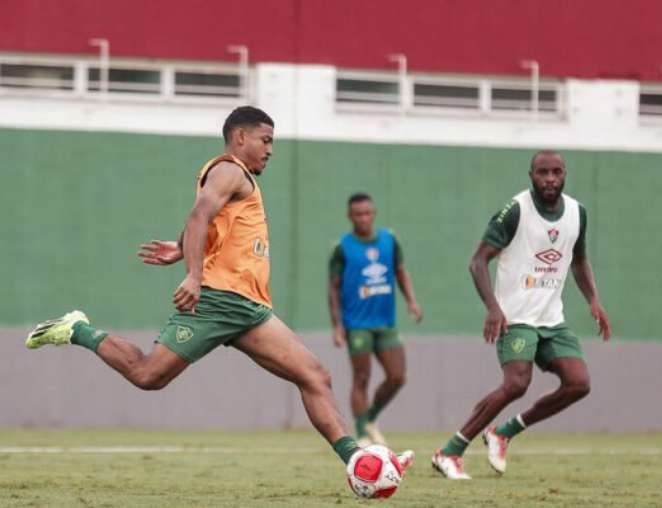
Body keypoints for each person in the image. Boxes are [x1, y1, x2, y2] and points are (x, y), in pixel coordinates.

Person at [25, 105, 413, 472]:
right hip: (217, 301)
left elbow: (206, 221)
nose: (271, 150)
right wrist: (193, 274)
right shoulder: (230, 170)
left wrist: (181, 247)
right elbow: (200, 212)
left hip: (250, 309)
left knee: (315, 375)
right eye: (266, 140)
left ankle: (358, 462)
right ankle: (78, 329)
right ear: (240, 137)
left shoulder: (235, 179)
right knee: (148, 375)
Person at [432, 150, 611, 479]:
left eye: (557, 172)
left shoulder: (576, 213)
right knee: (516, 383)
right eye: (543, 172)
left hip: (551, 319)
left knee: (578, 383)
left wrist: (593, 301)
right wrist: (493, 308)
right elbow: (477, 261)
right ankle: (450, 452)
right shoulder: (516, 210)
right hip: (515, 317)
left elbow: (579, 259)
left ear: (565, 175)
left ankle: (504, 432)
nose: (550, 179)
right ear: (531, 175)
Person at [327, 193, 422, 446]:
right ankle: (361, 434)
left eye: (367, 213)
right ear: (350, 216)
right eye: (358, 214)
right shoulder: (342, 247)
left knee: (397, 376)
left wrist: (412, 301)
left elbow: (401, 272)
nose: (363, 218)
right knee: (362, 378)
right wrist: (337, 326)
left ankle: (369, 418)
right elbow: (333, 288)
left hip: (386, 322)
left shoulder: (389, 240)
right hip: (357, 324)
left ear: (374, 213)